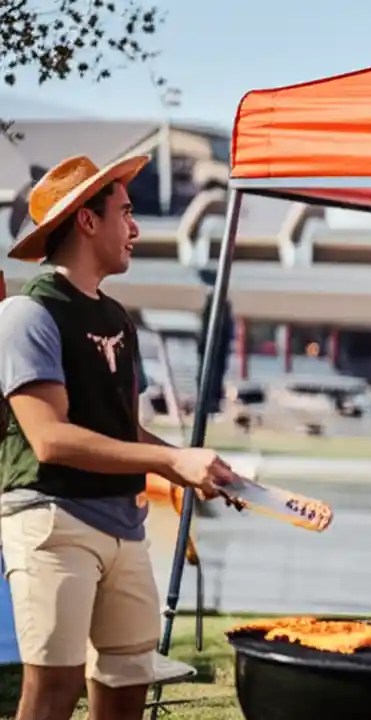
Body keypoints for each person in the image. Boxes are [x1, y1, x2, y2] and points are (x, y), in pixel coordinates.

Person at [0, 155, 235, 720]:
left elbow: (123, 428)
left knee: (127, 680)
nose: (135, 228)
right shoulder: (26, 314)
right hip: (52, 517)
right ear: (86, 220)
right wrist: (173, 458)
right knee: (54, 690)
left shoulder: (117, 318)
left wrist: (188, 466)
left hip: (124, 526)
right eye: (125, 213)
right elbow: (51, 438)